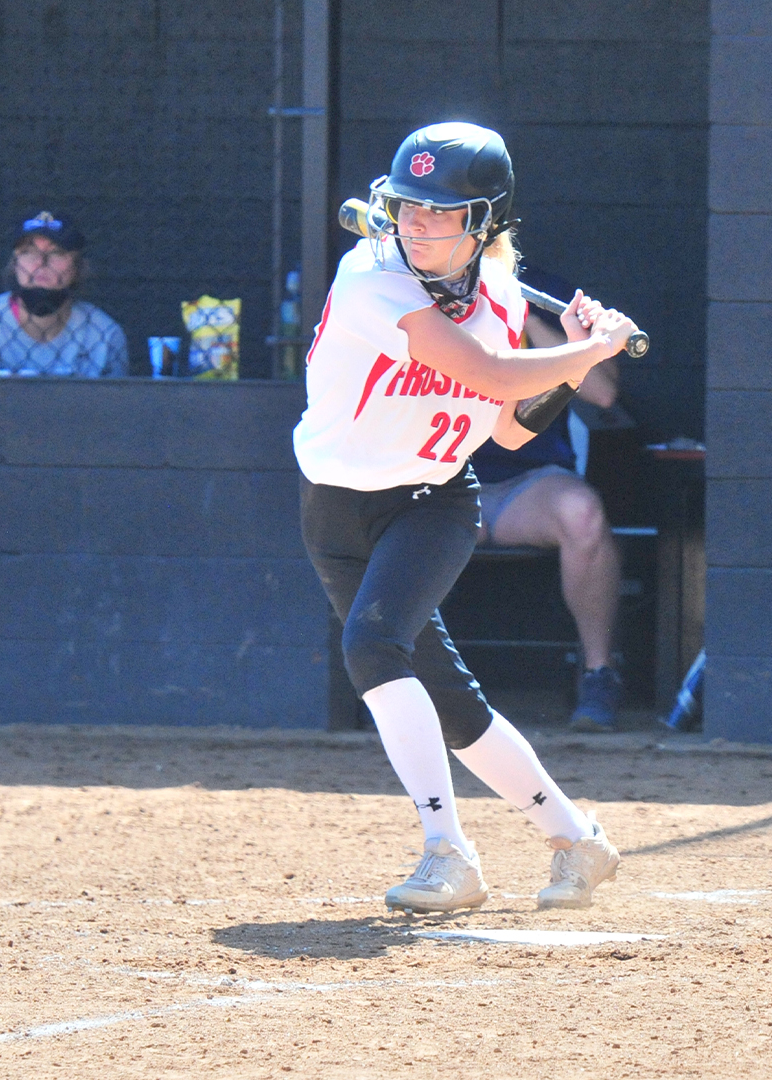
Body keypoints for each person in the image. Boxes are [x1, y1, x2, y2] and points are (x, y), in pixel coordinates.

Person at [294, 122, 637, 913]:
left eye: (439, 212)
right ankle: (577, 840)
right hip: (332, 507)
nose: (414, 224)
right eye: (406, 206)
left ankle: (448, 854)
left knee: (374, 649)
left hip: (431, 500)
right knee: (448, 699)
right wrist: (586, 354)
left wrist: (574, 353)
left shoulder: (503, 297)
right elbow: (481, 369)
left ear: (485, 221)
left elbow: (513, 425)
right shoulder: (369, 279)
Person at [469, 268, 627, 730]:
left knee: (582, 514)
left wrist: (526, 315)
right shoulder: (432, 290)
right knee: (401, 512)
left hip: (529, 484)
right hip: (450, 478)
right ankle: (404, 682)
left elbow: (602, 392)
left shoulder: (542, 293)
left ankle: (599, 675)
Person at [0, 212, 128, 377]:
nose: (41, 262)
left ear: (78, 266)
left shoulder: (104, 334)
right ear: (14, 264)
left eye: (57, 252)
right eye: (28, 252)